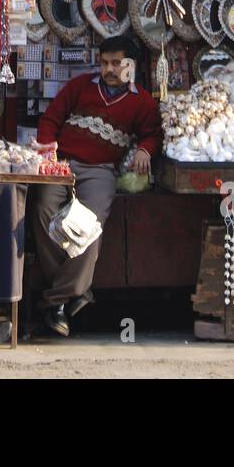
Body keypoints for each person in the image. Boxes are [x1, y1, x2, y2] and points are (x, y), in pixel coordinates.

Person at [30, 36, 161, 336]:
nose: (110, 69)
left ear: (132, 65)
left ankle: (56, 301)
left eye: (117, 63)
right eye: (104, 63)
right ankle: (75, 292)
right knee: (43, 211)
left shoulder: (142, 101)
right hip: (61, 163)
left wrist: (145, 150)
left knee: (86, 227)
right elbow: (51, 119)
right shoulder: (80, 86)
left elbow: (152, 134)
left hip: (100, 171)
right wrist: (48, 149)